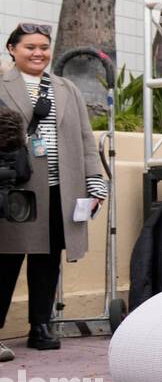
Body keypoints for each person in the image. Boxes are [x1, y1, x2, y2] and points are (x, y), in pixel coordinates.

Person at [0, 23, 107, 351]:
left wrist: (94, 182)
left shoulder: (66, 88)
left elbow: (86, 139)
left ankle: (40, 326)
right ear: (12, 49)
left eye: (44, 47)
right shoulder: (2, 85)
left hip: (61, 187)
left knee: (47, 260)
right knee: (6, 259)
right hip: (17, 188)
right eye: (30, 47)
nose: (38, 53)